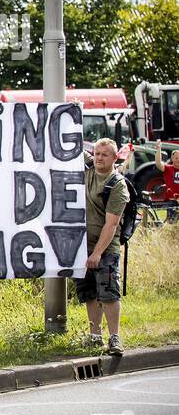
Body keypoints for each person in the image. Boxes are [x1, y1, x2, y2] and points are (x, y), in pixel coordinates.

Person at [79, 138, 130, 356]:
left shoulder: (117, 184)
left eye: (105, 155)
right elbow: (70, 143)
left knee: (109, 293)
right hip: (83, 246)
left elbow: (111, 224)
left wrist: (97, 253)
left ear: (115, 157)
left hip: (105, 249)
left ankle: (115, 338)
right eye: (97, 154)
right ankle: (94, 336)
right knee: (89, 292)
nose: (99, 158)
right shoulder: (89, 167)